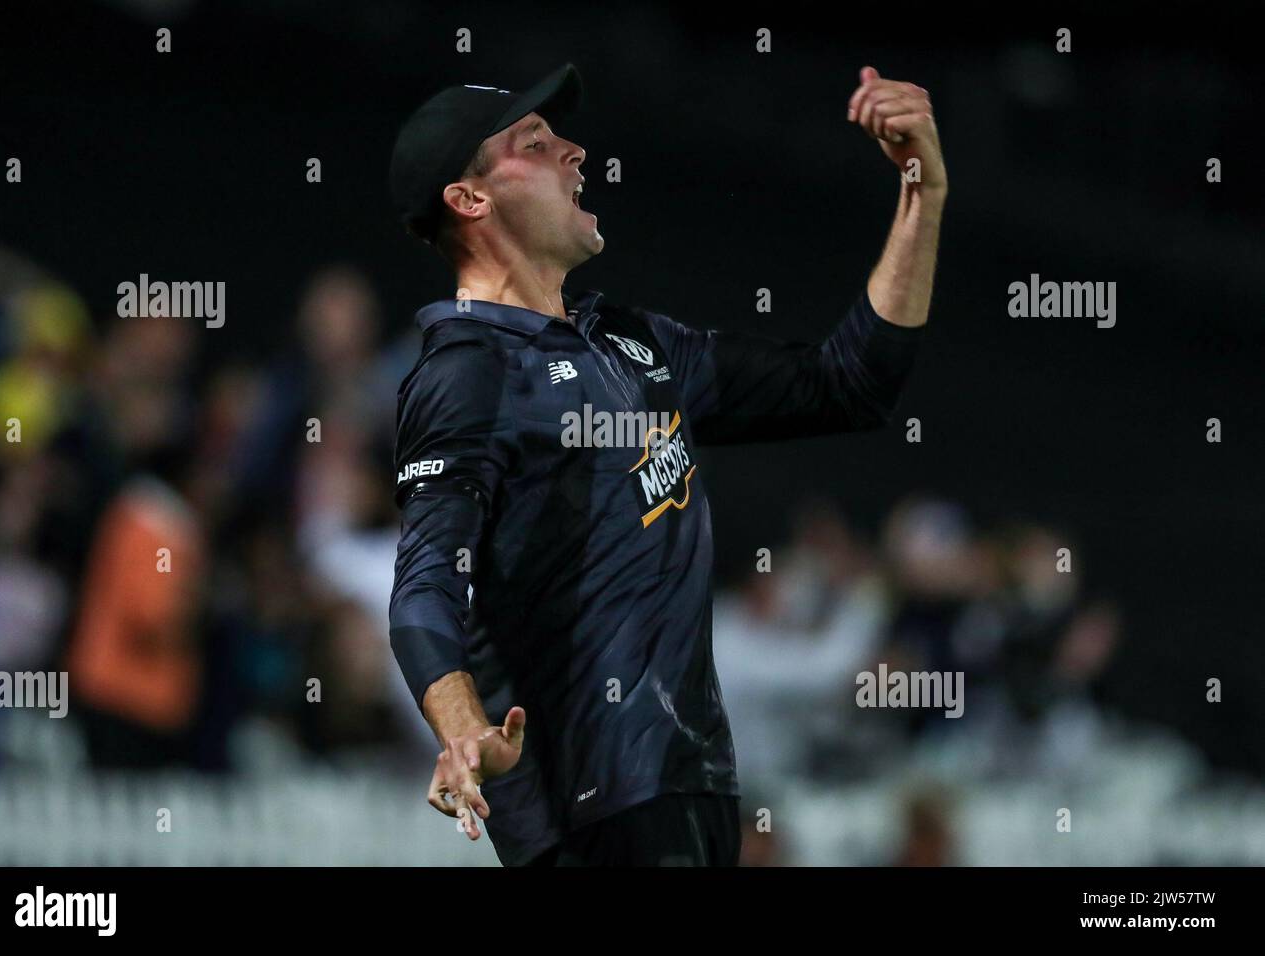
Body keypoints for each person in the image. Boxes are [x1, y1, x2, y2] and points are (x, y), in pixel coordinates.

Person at [385, 61, 946, 865]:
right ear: (470, 201)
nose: (575, 151)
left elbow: (849, 386)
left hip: (692, 789)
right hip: (594, 813)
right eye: (536, 143)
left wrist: (923, 193)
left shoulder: (631, 341)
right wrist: (462, 724)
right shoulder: (468, 370)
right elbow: (424, 582)